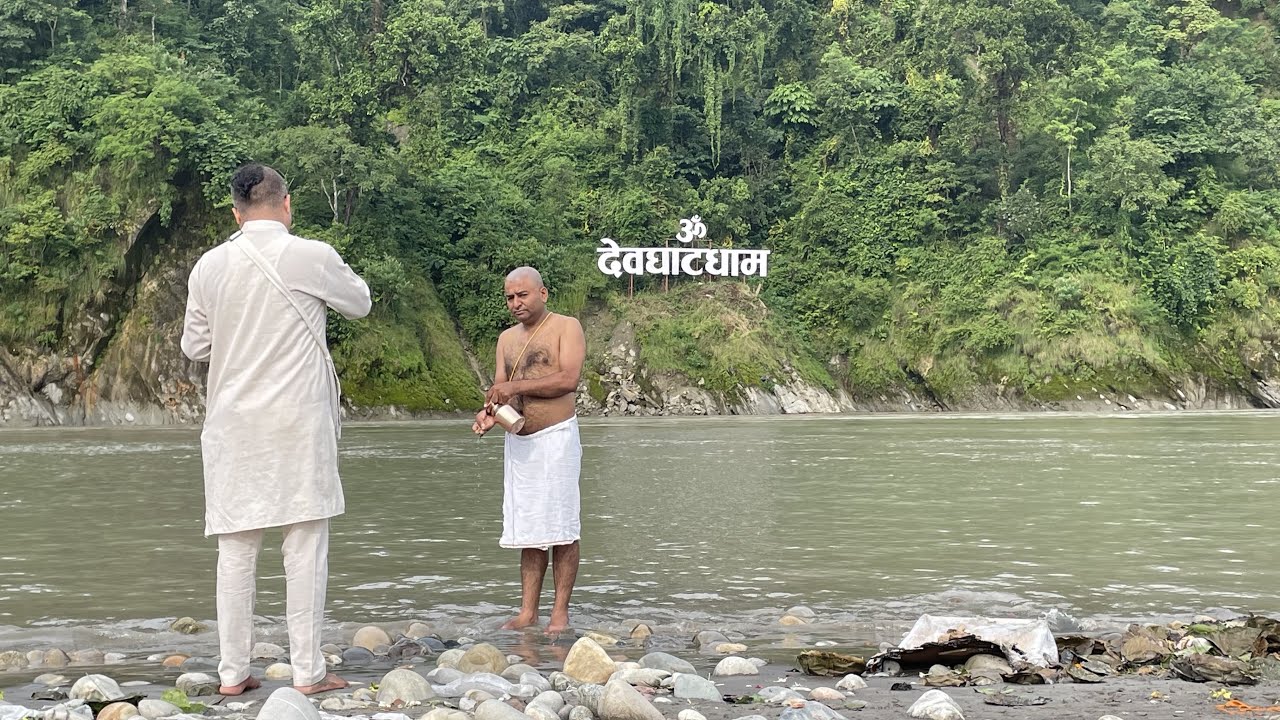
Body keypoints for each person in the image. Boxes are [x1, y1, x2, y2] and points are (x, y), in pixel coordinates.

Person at [180, 163, 371, 696]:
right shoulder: (312, 254)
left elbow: (194, 347)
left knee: (236, 551)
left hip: (233, 424)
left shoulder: (209, 266)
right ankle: (308, 672)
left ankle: (232, 675)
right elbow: (360, 303)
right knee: (304, 545)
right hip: (297, 421)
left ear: (236, 214)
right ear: (286, 204)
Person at [472, 266, 586, 634]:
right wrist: (490, 416)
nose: (515, 303)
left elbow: (569, 379)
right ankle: (527, 612)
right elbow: (504, 393)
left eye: (522, 295)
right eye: (509, 297)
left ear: (543, 293)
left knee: (563, 528)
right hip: (520, 443)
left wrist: (512, 387)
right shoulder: (506, 339)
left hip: (556, 438)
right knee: (530, 530)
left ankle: (560, 612)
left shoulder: (566, 327)